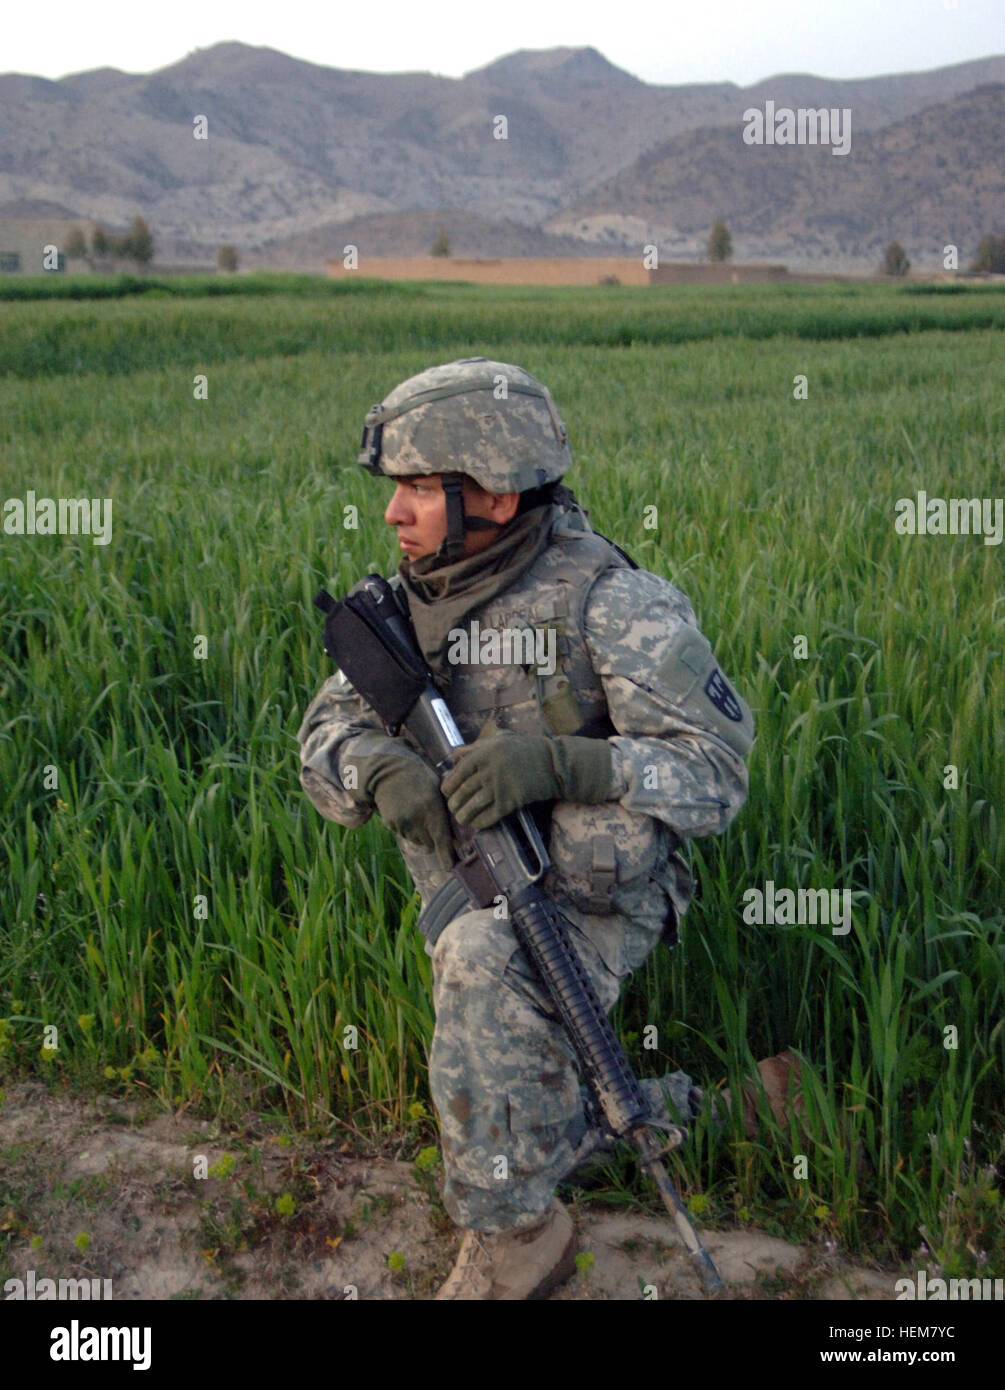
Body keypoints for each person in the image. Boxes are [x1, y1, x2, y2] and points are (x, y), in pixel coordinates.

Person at [297, 357, 757, 1300]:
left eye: (421, 489)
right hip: (474, 881)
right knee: (492, 979)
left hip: (598, 896)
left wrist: (569, 765)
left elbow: (718, 776)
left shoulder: (612, 603)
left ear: (497, 498)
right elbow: (322, 734)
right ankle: (673, 1113)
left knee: (481, 965)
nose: (394, 515)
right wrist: (371, 765)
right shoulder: (411, 606)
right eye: (397, 490)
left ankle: (514, 1232)